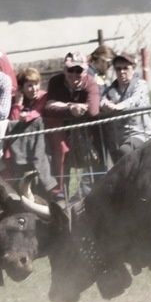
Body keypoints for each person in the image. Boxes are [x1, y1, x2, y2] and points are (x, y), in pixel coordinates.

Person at [43, 53, 103, 198]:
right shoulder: (55, 81)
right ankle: (61, 196)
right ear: (64, 70)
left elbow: (92, 110)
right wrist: (71, 107)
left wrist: (61, 107)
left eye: (79, 70)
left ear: (86, 70)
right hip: (64, 134)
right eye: (71, 70)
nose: (74, 74)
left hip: (88, 134)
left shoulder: (91, 83)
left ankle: (84, 198)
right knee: (63, 163)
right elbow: (49, 107)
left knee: (95, 165)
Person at [100, 54, 151, 163]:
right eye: (118, 69)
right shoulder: (110, 90)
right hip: (118, 140)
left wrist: (118, 107)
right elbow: (102, 101)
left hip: (141, 135)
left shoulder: (140, 85)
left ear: (133, 68)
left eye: (126, 68)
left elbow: (134, 100)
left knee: (125, 151)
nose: (122, 72)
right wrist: (105, 105)